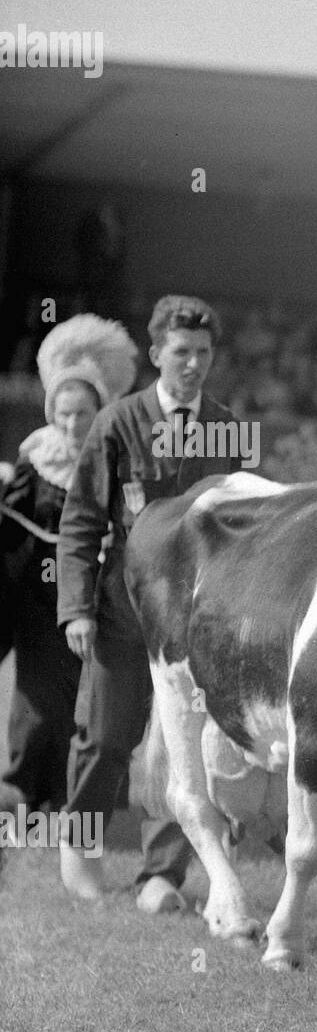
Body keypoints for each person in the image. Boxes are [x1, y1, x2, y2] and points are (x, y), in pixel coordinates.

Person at [57, 295, 244, 907]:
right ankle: (81, 852)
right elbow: (81, 520)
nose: (192, 364)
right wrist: (77, 607)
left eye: (203, 353)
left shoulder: (226, 429)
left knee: (181, 748)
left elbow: (244, 531)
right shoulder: (118, 423)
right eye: (181, 352)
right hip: (120, 615)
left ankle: (163, 874)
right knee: (106, 738)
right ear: (157, 353)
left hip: (196, 622)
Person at [2, 316, 138, 833]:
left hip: (96, 601)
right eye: (64, 413)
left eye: (83, 413)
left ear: (100, 411)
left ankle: (82, 803)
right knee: (37, 702)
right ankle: (25, 798)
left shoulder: (114, 460)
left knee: (94, 707)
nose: (73, 423)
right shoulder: (35, 458)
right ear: (51, 412)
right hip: (39, 605)